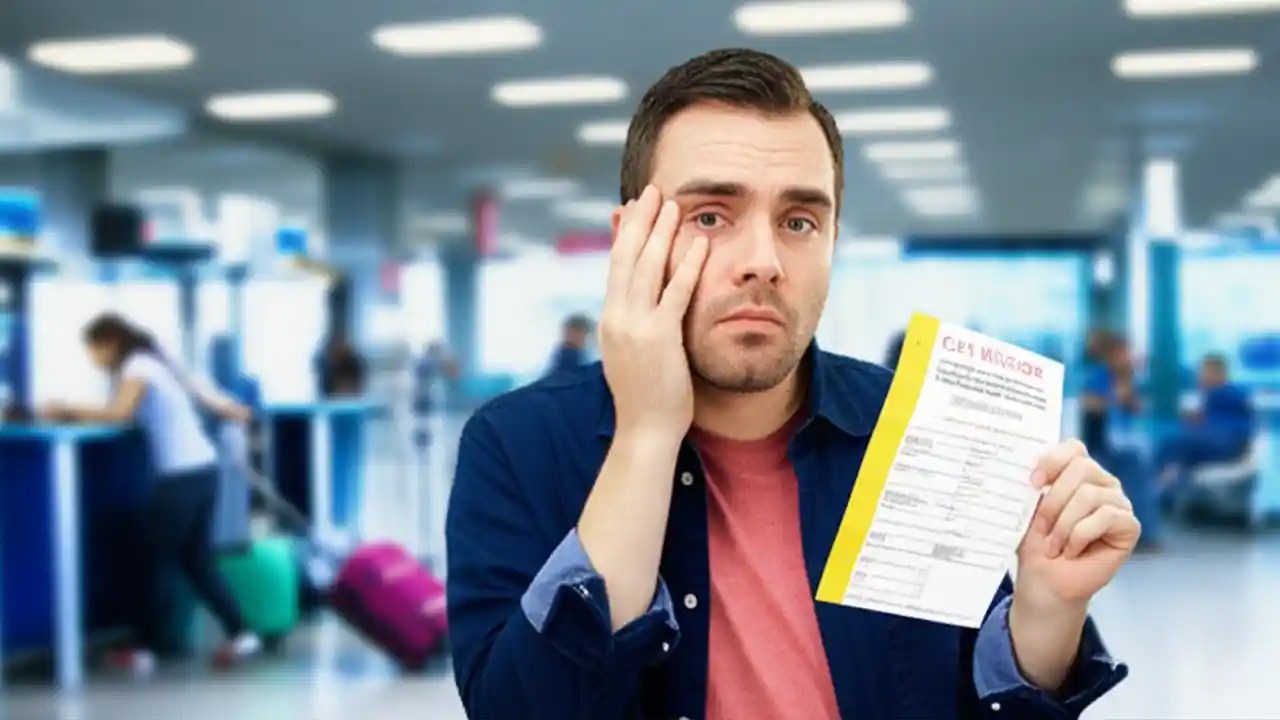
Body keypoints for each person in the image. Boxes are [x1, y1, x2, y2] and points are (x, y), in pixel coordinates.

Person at [446, 49, 1137, 720]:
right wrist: (647, 436)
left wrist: (1048, 614)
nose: (764, 262)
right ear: (632, 240)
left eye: (799, 221)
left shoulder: (920, 428)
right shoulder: (517, 445)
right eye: (711, 216)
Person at [39, 313, 261, 675]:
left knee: (157, 562)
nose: (93, 360)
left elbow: (119, 413)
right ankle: (241, 633)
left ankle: (144, 648)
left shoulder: (138, 366)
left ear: (108, 343)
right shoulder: (155, 362)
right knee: (194, 561)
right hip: (203, 470)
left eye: (93, 351)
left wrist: (66, 409)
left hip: (180, 476)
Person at [1157, 353, 1256, 482]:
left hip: (1227, 446)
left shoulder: (1225, 394)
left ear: (1217, 373)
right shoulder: (1224, 394)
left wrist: (1195, 422)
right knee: (1174, 445)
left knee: (1170, 445)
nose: (1199, 376)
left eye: (1203, 371)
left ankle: (1159, 484)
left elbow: (1221, 428)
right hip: (1225, 444)